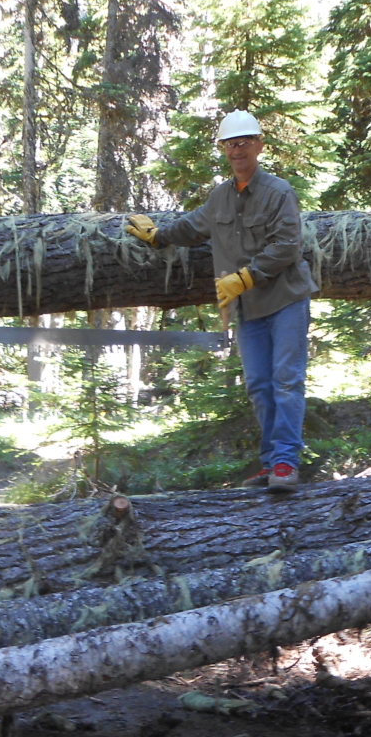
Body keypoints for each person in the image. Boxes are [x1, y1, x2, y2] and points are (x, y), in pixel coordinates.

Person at [126, 110, 316, 491]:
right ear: (223, 150)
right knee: (259, 385)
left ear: (259, 145)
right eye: (230, 143)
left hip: (285, 300)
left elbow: (287, 246)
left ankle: (285, 464)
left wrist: (245, 277)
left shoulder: (279, 192)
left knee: (286, 382)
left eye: (244, 142)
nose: (237, 149)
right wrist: (158, 236)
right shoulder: (220, 198)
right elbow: (192, 226)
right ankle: (270, 464)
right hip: (249, 310)